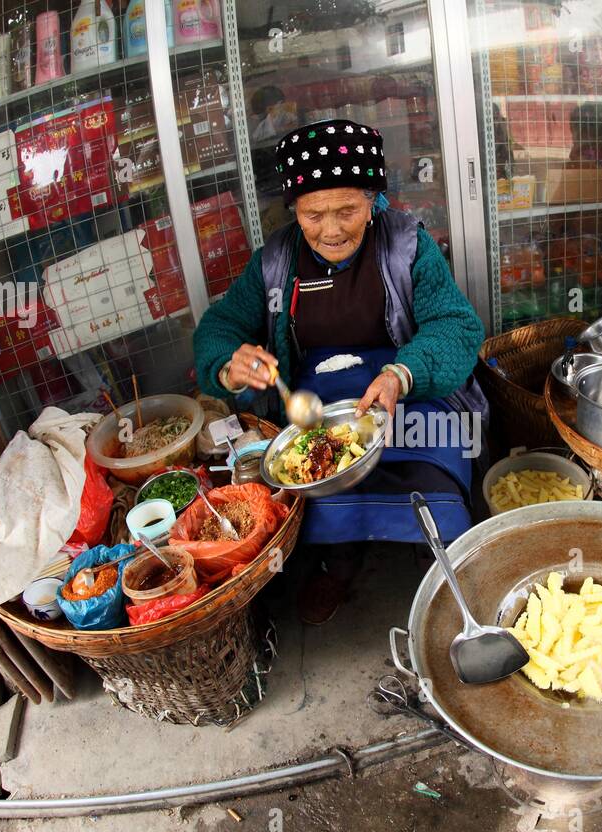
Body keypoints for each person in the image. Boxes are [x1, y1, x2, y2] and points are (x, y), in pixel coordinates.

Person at [194, 119, 486, 625]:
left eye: (347, 210)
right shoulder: (275, 262)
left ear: (373, 201)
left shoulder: (406, 246)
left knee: (433, 493)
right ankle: (340, 559)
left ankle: (432, 557)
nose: (331, 230)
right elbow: (219, 328)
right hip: (322, 412)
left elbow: (456, 326)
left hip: (410, 400)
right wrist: (229, 365)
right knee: (319, 487)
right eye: (313, 214)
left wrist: (402, 374)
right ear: (294, 211)